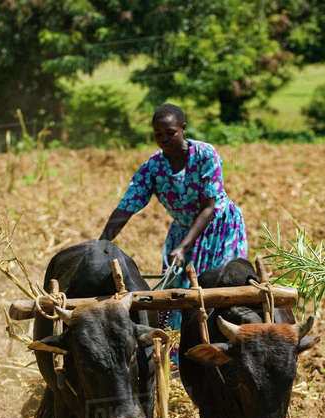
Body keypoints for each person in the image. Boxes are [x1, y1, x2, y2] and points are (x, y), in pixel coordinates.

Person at [100, 103, 248, 329]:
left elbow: (209, 207)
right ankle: (177, 357)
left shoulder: (205, 155)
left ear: (183, 129)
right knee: (174, 298)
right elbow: (126, 208)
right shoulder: (153, 168)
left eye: (170, 133)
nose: (164, 139)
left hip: (219, 228)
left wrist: (183, 247)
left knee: (220, 290)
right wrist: (102, 243)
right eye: (158, 134)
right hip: (183, 231)